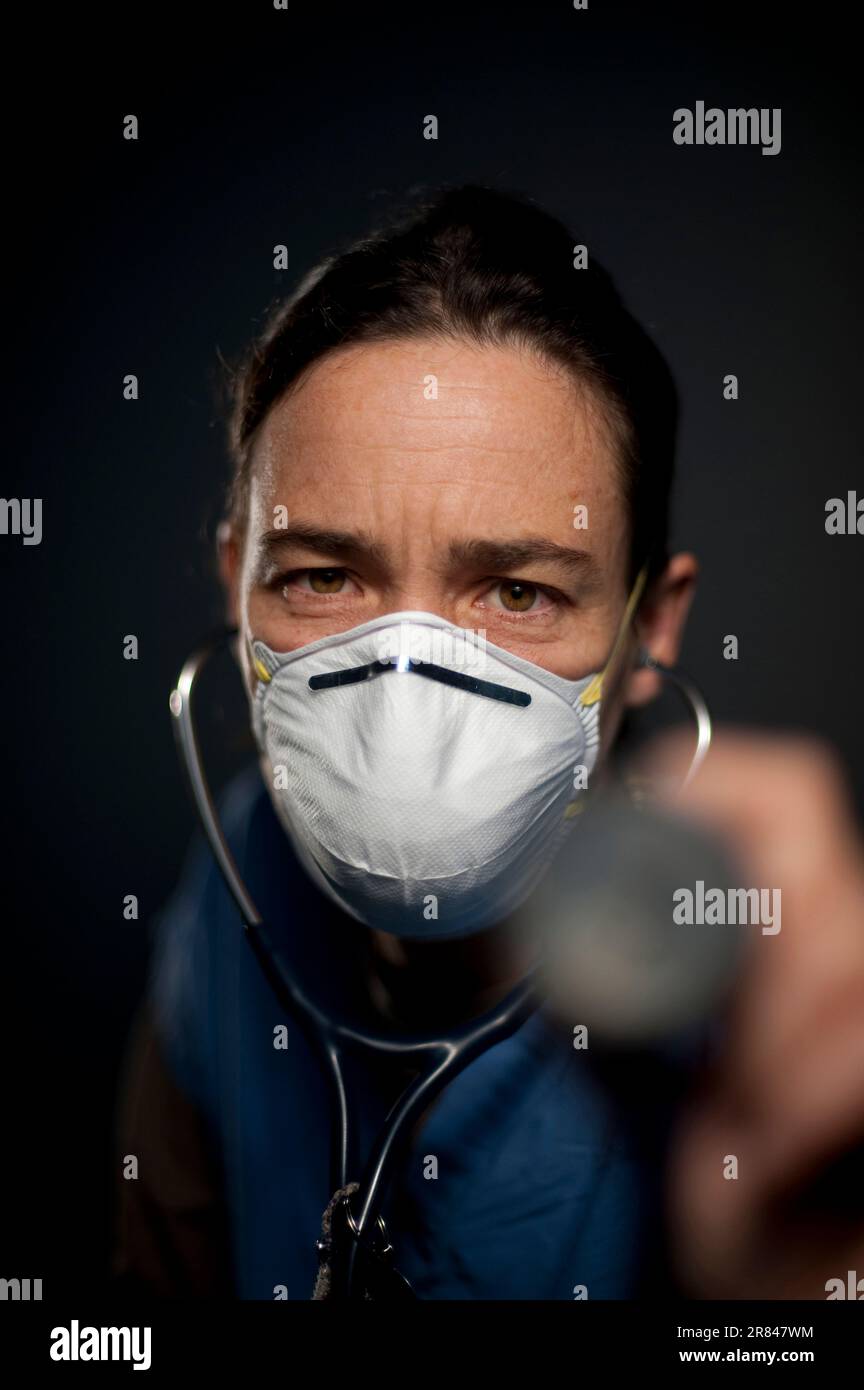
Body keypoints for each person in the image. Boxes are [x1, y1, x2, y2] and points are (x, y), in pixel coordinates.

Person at [112, 184, 864, 1300]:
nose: (409, 683)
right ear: (238, 585)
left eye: (517, 590)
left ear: (651, 625)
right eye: (322, 575)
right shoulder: (236, 889)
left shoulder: (761, 1009)